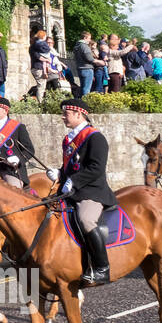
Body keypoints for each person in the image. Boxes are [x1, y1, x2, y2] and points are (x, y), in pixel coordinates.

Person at [46, 96, 116, 286]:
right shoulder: (69, 139)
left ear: (79, 114)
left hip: (92, 191)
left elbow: (96, 168)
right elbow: (72, 166)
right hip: (71, 190)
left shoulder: (95, 137)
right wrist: (60, 172)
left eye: (66, 113)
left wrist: (73, 182)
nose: (63, 117)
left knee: (86, 220)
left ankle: (102, 268)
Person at [0, 95, 35, 188]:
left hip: (11, 171)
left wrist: (18, 159)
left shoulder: (18, 127)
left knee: (14, 193)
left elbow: (29, 150)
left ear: (5, 111)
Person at [72, 31, 99, 97]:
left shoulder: (76, 46)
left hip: (80, 68)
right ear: (85, 38)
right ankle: (85, 103)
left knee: (82, 87)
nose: (90, 40)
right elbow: (89, 58)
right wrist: (99, 62)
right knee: (86, 89)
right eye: (89, 38)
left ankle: (81, 102)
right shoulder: (84, 46)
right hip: (87, 68)